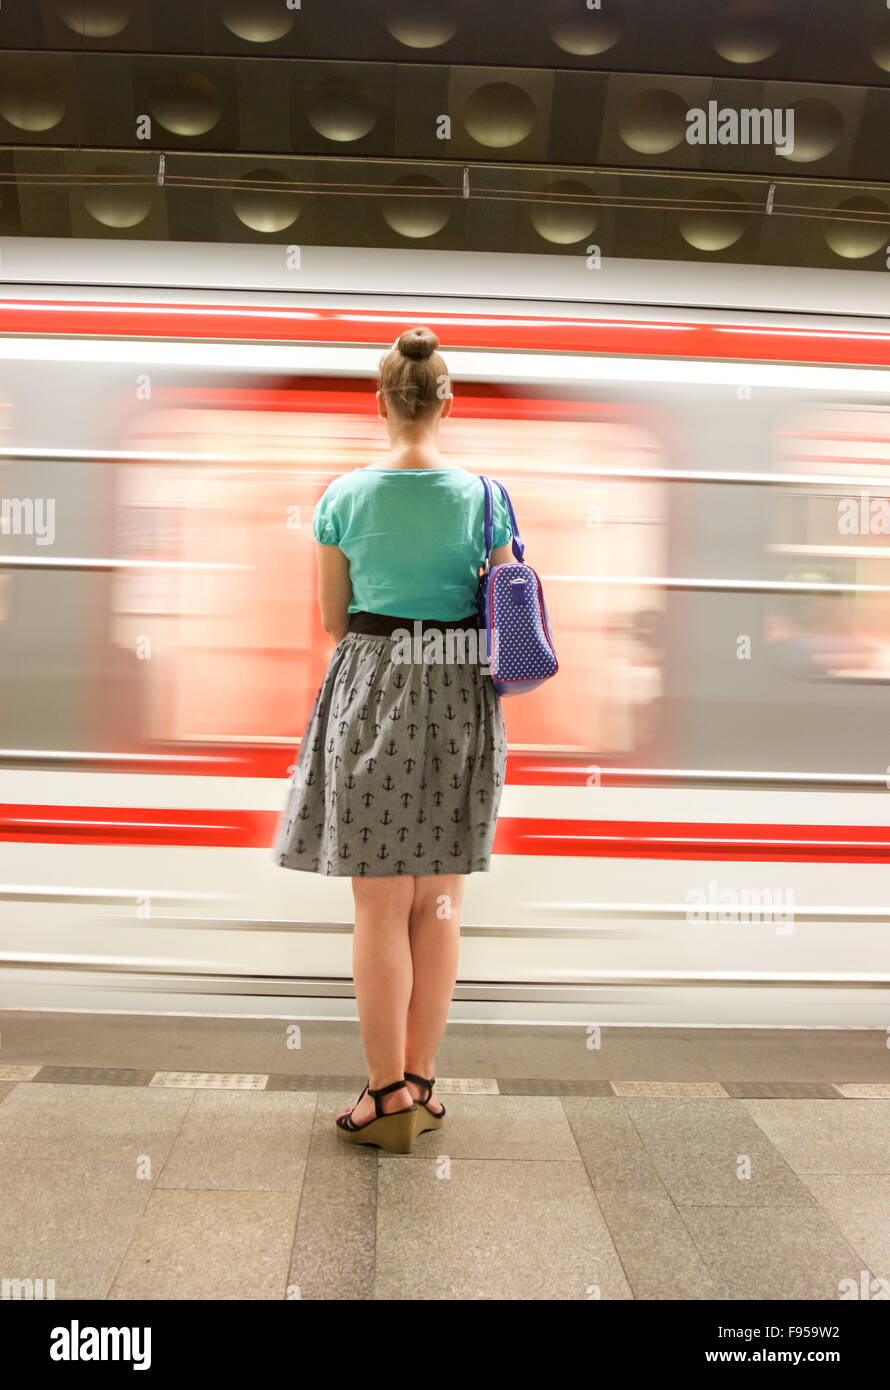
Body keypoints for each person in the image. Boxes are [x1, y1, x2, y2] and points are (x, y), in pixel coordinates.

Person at [271, 326, 515, 1153]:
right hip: (457, 690)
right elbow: (508, 611)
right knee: (439, 904)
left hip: (371, 686)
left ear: (380, 404)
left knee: (378, 904)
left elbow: (335, 621)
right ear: (448, 401)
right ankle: (424, 1081)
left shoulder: (341, 495)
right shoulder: (487, 497)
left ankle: (383, 1097)